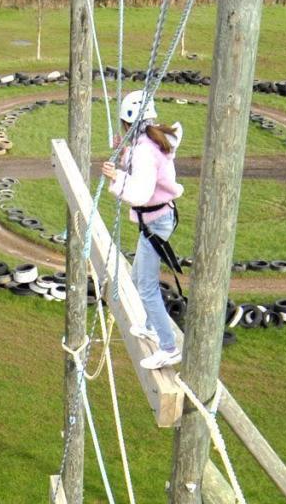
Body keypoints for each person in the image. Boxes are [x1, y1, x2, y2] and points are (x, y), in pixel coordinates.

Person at [102, 90, 184, 369]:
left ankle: (169, 346)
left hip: (155, 221)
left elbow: (139, 191)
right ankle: (151, 325)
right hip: (158, 219)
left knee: (147, 287)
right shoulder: (149, 141)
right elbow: (140, 164)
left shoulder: (144, 151)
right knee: (139, 278)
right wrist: (125, 153)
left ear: (129, 124)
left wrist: (117, 177)